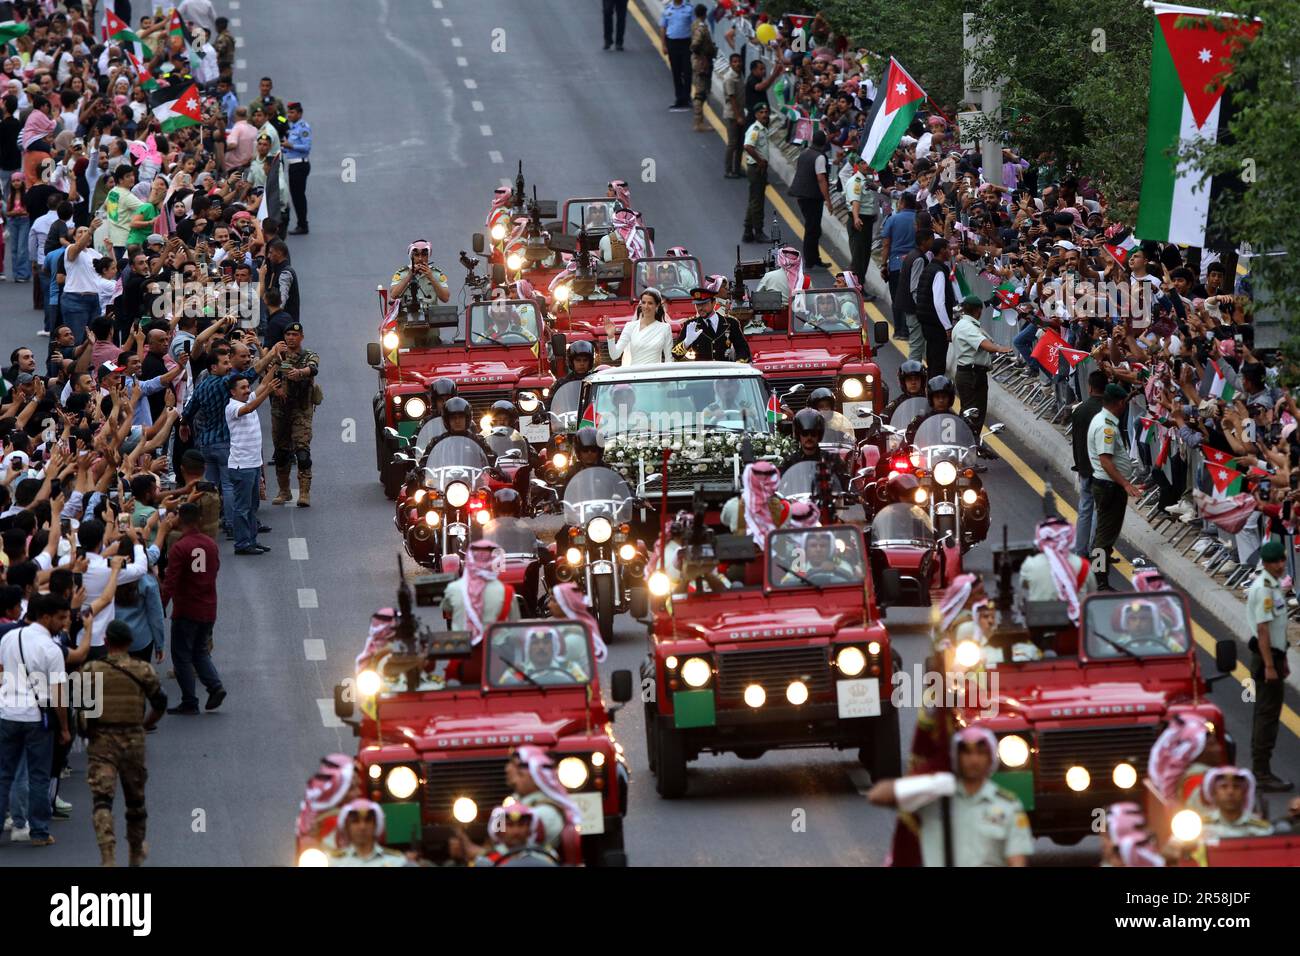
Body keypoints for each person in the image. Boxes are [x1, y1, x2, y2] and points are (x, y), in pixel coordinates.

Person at [868, 725, 1033, 867]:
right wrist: (931, 784)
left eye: (980, 753)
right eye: (966, 753)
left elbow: (1016, 860)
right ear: (956, 757)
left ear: (990, 758)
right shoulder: (935, 799)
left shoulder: (1008, 805)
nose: (973, 760)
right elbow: (877, 795)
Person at [82, 618, 167, 866]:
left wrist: (89, 734)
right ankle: (135, 853)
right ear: (129, 643)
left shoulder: (90, 670)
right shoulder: (143, 670)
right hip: (133, 741)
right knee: (135, 803)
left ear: (106, 642)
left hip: (101, 742)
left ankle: (107, 856)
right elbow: (159, 704)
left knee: (102, 801)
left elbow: (80, 711)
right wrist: (144, 725)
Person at [0, 593, 73, 848]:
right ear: (45, 616)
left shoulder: (9, 638)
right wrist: (64, 727)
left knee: (4, 774)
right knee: (39, 775)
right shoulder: (51, 650)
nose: (64, 623)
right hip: (36, 718)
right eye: (61, 618)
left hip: (7, 713)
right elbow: (57, 695)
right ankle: (39, 832)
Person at [161, 502, 226, 715]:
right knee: (200, 650)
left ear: (180, 519)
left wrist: (161, 604)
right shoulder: (209, 544)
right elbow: (215, 569)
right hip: (208, 607)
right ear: (199, 519)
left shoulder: (180, 547)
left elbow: (170, 581)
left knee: (181, 655)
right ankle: (215, 686)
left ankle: (190, 700)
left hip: (187, 609)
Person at [1245, 539, 1292, 792]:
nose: (1281, 565)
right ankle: (1261, 772)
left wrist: (1281, 659)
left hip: (1273, 655)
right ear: (1266, 563)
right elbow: (1263, 631)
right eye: (1276, 561)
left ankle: (1260, 769)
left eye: (1283, 559)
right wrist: (1270, 666)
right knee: (1267, 716)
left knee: (1266, 713)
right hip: (1266, 658)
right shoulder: (1264, 589)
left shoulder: (1271, 584)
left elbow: (1275, 629)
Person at [1087, 383, 1141, 591]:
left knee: (1106, 533)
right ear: (1118, 403)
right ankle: (1100, 579)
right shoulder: (1106, 426)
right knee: (1104, 536)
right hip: (1109, 486)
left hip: (1108, 484)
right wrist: (1125, 483)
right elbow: (1106, 460)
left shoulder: (1104, 419)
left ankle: (1099, 573)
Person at [226, 373, 277, 555]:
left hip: (254, 465)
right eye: (243, 388)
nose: (248, 390)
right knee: (242, 508)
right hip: (242, 466)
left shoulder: (248, 399)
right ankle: (242, 543)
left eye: (248, 387)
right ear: (233, 392)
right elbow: (249, 408)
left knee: (253, 507)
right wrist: (267, 392)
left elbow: (263, 384)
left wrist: (274, 364)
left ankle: (252, 540)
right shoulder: (232, 407)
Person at [269, 323, 320, 508]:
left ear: (301, 337)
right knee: (281, 453)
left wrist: (300, 372)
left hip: (301, 410)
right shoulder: (276, 357)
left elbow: (313, 368)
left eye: (295, 334)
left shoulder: (308, 356)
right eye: (288, 334)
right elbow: (265, 377)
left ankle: (304, 492)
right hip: (280, 410)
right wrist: (276, 390)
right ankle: (284, 491)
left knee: (302, 452)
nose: (291, 337)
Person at [952, 294, 1013, 437]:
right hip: (971, 376)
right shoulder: (967, 327)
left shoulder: (964, 324)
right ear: (978, 311)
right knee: (973, 415)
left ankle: (965, 446)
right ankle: (967, 447)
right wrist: (999, 349)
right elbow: (982, 343)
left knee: (970, 413)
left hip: (970, 374)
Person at [440, 540, 520, 646]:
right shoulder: (507, 591)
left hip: (464, 652)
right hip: (496, 652)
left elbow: (446, 608)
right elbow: (514, 625)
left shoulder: (454, 588)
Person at [1019, 517, 1095, 622]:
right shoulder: (1084, 565)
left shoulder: (1030, 564)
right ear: (1069, 537)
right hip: (1074, 631)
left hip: (1040, 627)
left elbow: (1024, 584)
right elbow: (1092, 594)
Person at [506, 745, 581, 852]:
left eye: (520, 773)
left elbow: (507, 844)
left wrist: (478, 853)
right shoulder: (514, 803)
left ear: (534, 777)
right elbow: (496, 834)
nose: (507, 769)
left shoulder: (546, 812)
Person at [1069, 371, 1107, 560]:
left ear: (1090, 387)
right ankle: (1095, 549)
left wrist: (1079, 465)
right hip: (1103, 469)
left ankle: (1080, 549)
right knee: (1100, 511)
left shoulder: (1080, 409)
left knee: (1085, 509)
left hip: (1085, 467)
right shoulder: (1108, 411)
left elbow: (1075, 441)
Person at [789, 131, 833, 269]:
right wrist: (828, 200)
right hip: (812, 197)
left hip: (802, 195)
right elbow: (821, 179)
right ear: (824, 142)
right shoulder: (820, 157)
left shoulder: (805, 153)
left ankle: (815, 258)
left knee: (813, 228)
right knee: (812, 229)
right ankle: (810, 260)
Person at [879, 192, 918, 339]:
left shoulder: (893, 219)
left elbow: (886, 244)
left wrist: (883, 265)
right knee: (912, 297)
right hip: (915, 264)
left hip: (896, 265)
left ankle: (900, 331)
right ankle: (911, 330)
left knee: (897, 298)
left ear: (901, 203)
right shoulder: (918, 219)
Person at [673, 286, 750, 361]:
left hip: (725, 370)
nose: (700, 308)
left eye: (704, 304)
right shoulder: (691, 325)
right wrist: (686, 342)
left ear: (714, 303)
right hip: (702, 372)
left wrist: (738, 364)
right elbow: (675, 355)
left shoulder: (730, 323)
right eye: (697, 305)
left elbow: (743, 350)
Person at [914, 238, 955, 377]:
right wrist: (947, 327)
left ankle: (930, 390)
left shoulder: (929, 268)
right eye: (948, 249)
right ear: (942, 251)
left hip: (928, 324)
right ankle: (935, 392)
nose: (950, 252)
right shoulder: (939, 272)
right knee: (938, 363)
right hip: (937, 326)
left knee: (931, 360)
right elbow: (939, 302)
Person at [330, 800, 409, 867]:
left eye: (368, 821)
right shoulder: (334, 862)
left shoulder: (396, 861)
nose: (362, 827)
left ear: (376, 825)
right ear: (347, 827)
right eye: (355, 821)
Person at [1199, 768, 1273, 839]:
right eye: (1224, 787)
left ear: (1244, 793)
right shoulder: (1201, 827)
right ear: (1214, 794)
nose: (1230, 792)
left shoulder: (1262, 829)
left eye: (1236, 787)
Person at [606, 288, 673, 366]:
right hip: (635, 374)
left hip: (655, 374)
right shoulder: (630, 326)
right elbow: (614, 355)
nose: (646, 306)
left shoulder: (665, 328)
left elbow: (669, 360)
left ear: (657, 305)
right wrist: (611, 336)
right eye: (643, 302)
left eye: (650, 303)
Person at [843, 153, 879, 287]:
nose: (866, 165)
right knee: (859, 258)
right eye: (863, 163)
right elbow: (855, 201)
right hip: (859, 222)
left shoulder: (866, 180)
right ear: (857, 166)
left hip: (866, 222)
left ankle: (859, 286)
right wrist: (857, 218)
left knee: (864, 256)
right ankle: (857, 289)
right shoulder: (856, 181)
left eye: (867, 162)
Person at [390, 239, 450, 319]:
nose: (420, 259)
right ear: (412, 256)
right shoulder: (402, 273)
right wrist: (409, 276)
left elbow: (445, 298)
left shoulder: (436, 273)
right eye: (417, 255)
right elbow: (393, 295)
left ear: (428, 256)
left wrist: (431, 277)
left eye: (424, 255)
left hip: (430, 319)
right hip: (407, 319)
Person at [741, 103, 771, 244]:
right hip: (756, 168)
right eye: (761, 112)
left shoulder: (763, 129)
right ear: (756, 115)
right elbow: (748, 146)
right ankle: (758, 231)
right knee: (757, 202)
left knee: (754, 200)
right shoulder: (755, 129)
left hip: (760, 168)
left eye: (766, 112)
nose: (765, 114)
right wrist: (759, 161)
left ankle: (748, 231)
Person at [660, 0, 695, 112]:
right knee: (676, 71)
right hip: (672, 43)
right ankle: (679, 98)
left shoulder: (689, 9)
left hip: (686, 43)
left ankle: (686, 97)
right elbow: (663, 27)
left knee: (687, 71)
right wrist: (664, 45)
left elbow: (694, 27)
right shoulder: (667, 10)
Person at [284, 102, 311, 235]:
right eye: (288, 112)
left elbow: (306, 147)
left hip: (300, 165)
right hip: (293, 164)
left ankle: (303, 224)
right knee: (296, 196)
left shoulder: (303, 127)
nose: (289, 115)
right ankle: (301, 223)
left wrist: (291, 146)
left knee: (298, 196)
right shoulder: (293, 127)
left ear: (299, 114)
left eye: (292, 112)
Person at [689, 4, 716, 133]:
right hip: (702, 62)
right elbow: (695, 45)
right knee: (700, 93)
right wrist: (703, 56)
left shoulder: (695, 24)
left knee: (702, 91)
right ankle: (698, 122)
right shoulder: (701, 27)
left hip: (700, 61)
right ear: (704, 13)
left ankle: (699, 121)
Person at [721, 53, 745, 179]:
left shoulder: (740, 74)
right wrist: (738, 116)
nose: (737, 64)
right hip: (733, 114)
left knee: (740, 143)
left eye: (739, 61)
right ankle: (728, 169)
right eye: (734, 62)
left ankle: (737, 168)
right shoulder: (729, 78)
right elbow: (732, 98)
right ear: (730, 63)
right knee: (732, 143)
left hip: (740, 112)